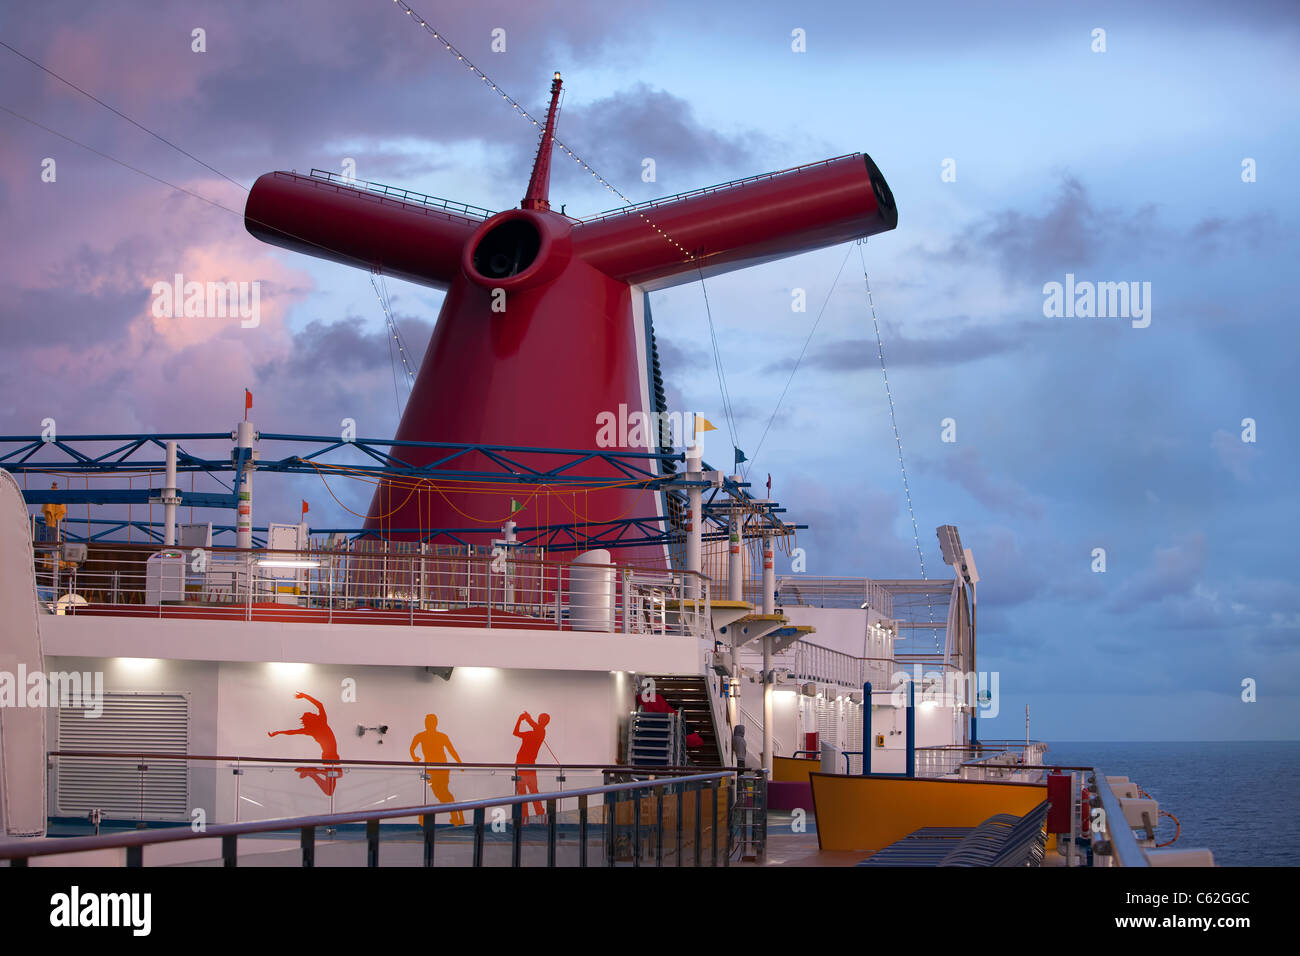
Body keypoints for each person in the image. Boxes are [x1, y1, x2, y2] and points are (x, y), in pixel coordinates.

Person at [268, 692, 341, 796]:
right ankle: (312, 772)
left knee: (330, 790)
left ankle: (312, 772)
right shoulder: (321, 722)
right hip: (331, 756)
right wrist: (304, 696)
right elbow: (319, 705)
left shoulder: (310, 729)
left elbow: (292, 731)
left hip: (327, 755)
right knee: (337, 777)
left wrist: (277, 733)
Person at [409, 714, 464, 825]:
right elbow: (412, 748)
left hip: (441, 769)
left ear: (435, 723)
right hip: (430, 769)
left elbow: (451, 750)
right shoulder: (421, 736)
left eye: (431, 722)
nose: (429, 724)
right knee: (440, 794)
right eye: (427, 722)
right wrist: (415, 758)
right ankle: (457, 816)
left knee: (443, 793)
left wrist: (459, 763)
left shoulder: (442, 736)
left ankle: (458, 817)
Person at [512, 712, 550, 821]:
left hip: (527, 766)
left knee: (533, 792)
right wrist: (520, 720)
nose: (540, 721)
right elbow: (515, 732)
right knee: (524, 794)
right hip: (522, 765)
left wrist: (526, 718)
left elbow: (534, 727)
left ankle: (540, 818)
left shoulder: (541, 732)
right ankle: (525, 819)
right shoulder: (532, 733)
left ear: (545, 722)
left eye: (542, 720)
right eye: (540, 719)